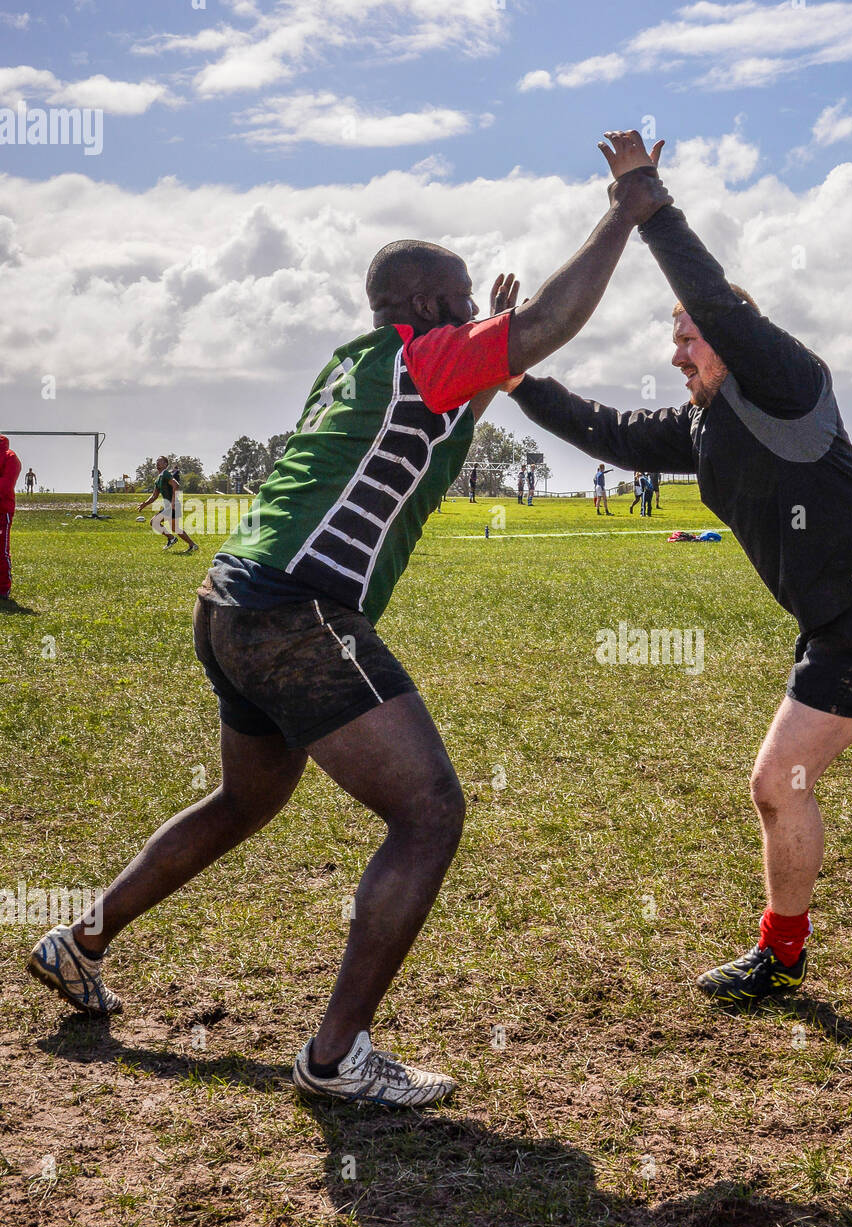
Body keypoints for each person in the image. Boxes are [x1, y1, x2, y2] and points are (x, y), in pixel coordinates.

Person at [26, 147, 671, 1107]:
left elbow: (474, 375)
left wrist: (496, 337)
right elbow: (542, 326)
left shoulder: (361, 363)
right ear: (426, 307)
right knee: (430, 811)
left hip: (230, 602)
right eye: (459, 303)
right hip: (296, 613)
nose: (471, 318)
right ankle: (335, 1058)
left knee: (245, 801)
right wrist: (626, 211)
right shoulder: (425, 357)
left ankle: (79, 939)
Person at [507, 128, 852, 1006]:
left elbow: (718, 304)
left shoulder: (786, 380)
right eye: (675, 337)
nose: (677, 350)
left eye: (688, 334)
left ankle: (783, 955)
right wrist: (516, 379)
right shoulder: (702, 424)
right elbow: (605, 432)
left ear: (732, 336)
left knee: (776, 781)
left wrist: (647, 200)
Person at [138, 456, 198, 554]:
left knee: (154, 522)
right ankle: (193, 545)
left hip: (173, 505)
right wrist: (145, 503)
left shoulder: (166, 474)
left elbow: (176, 485)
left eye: (160, 461)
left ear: (166, 464)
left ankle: (171, 538)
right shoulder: (158, 479)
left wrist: (173, 501)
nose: (157, 463)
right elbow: (154, 496)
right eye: (157, 461)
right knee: (176, 528)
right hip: (170, 505)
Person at [0, 435, 20, 600]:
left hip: (2, 510)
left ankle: (3, 589)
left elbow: (5, 486)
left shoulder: (10, 458)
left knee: (1, 551)